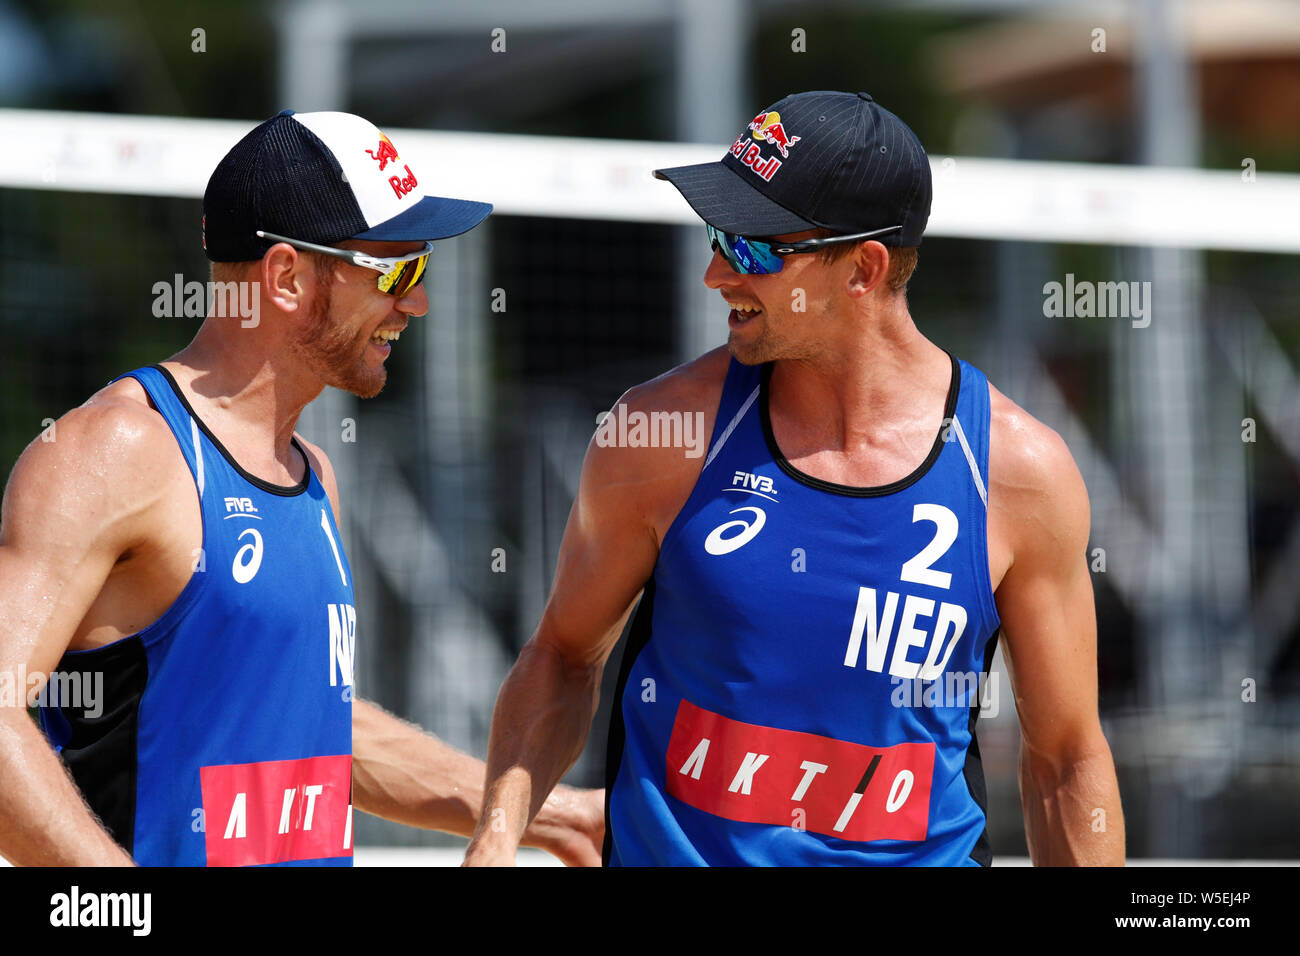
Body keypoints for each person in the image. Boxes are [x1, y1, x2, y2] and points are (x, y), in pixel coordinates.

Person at [464, 91, 1124, 866]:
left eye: (751, 249)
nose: (716, 274)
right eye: (717, 235)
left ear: (863, 269)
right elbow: (562, 657)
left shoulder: (1018, 471)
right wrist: (495, 840)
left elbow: (1066, 759)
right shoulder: (660, 434)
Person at [0, 109, 602, 867]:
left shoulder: (311, 473)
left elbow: (317, 733)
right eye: (396, 270)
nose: (415, 302)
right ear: (286, 276)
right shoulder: (121, 449)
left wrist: (545, 814)